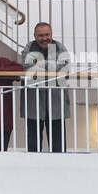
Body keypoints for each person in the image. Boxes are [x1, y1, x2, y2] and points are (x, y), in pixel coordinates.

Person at [19, 22, 71, 152]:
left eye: (47, 34)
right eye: (40, 35)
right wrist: (51, 65)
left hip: (56, 103)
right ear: (35, 36)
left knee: (58, 146)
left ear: (51, 34)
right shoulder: (29, 47)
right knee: (33, 145)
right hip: (34, 103)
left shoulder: (58, 47)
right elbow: (27, 67)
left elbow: (64, 66)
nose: (44, 38)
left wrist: (40, 63)